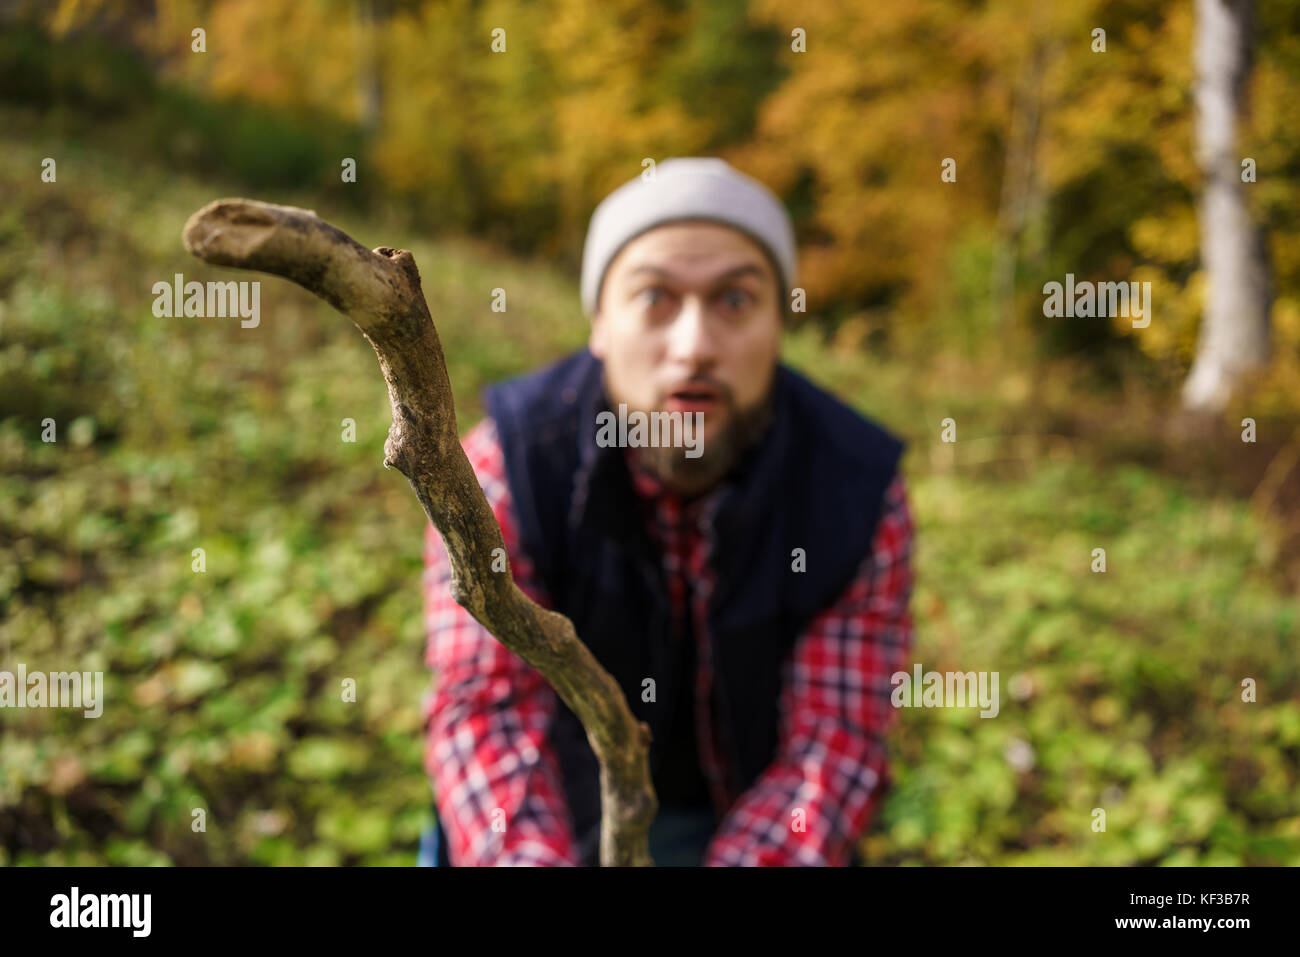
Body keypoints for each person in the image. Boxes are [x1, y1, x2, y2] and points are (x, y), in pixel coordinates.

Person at [419, 157, 914, 866]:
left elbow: (835, 740)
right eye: (655, 297)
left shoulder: (856, 490)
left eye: (735, 301)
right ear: (600, 322)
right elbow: (487, 707)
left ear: (780, 322)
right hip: (560, 807)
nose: (695, 346)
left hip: (747, 818)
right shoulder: (507, 469)